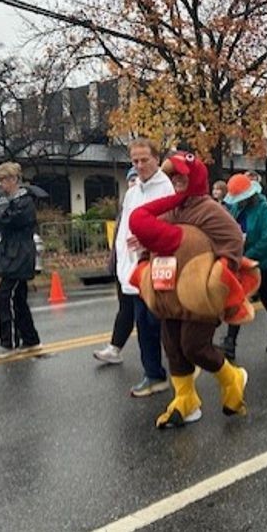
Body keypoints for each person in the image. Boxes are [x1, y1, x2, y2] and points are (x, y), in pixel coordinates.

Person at [126, 151, 257, 428]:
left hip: (198, 296)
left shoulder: (208, 209)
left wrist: (219, 274)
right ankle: (186, 400)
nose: (176, 183)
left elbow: (232, 238)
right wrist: (143, 262)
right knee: (172, 348)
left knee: (194, 347)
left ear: (194, 177)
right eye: (172, 178)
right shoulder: (170, 209)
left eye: (182, 177)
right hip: (169, 291)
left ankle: (233, 378)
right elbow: (156, 241)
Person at [93, 139, 174, 397]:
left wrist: (148, 240)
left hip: (160, 266)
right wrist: (121, 264)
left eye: (144, 160)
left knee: (163, 323)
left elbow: (174, 228)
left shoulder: (167, 189)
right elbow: (124, 230)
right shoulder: (133, 192)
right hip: (134, 269)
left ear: (157, 159)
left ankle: (184, 369)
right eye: (135, 161)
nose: (139, 166)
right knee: (144, 324)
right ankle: (153, 375)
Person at [219, 173, 267, 359]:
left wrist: (248, 257)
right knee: (236, 298)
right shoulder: (235, 209)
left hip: (262, 264)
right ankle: (230, 341)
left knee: (266, 298)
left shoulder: (265, 209)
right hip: (239, 262)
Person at [0, 162, 45, 358]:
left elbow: (11, 220)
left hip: (21, 253)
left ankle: (7, 342)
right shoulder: (4, 200)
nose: (1, 184)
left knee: (5, 295)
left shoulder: (25, 201)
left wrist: (1, 203)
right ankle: (30, 339)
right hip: (9, 252)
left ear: (14, 179)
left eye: (4, 180)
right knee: (18, 298)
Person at [93, 167, 141, 366]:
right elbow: (119, 242)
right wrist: (113, 264)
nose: (134, 182)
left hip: (142, 268)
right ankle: (114, 348)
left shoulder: (146, 205)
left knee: (150, 315)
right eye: (131, 179)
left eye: (137, 179)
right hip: (123, 268)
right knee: (125, 309)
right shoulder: (125, 207)